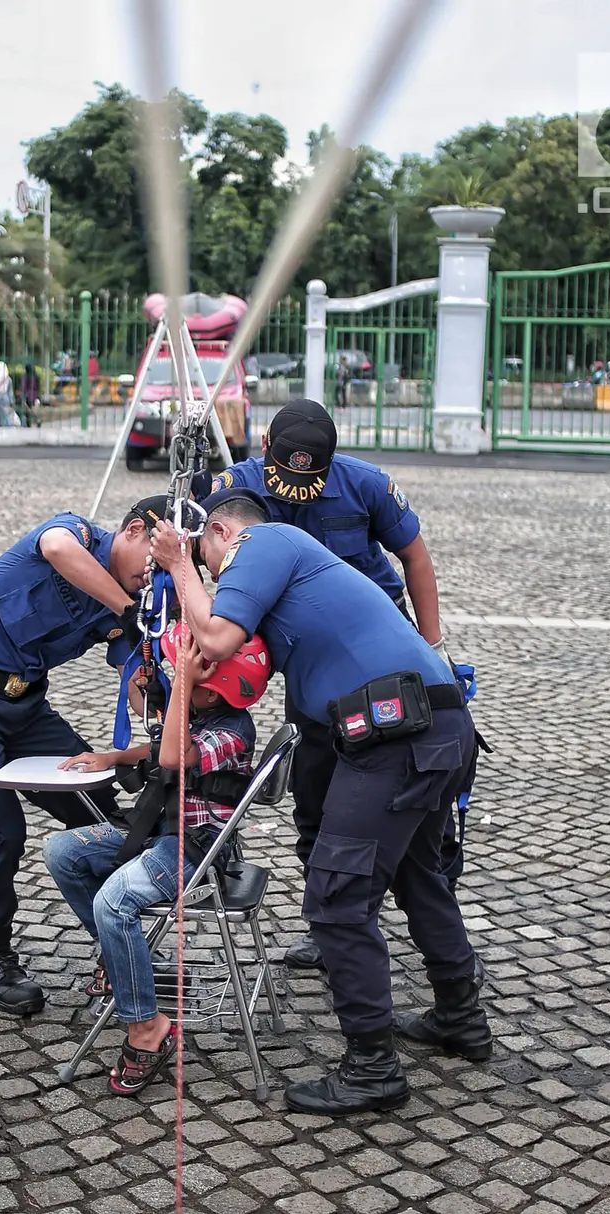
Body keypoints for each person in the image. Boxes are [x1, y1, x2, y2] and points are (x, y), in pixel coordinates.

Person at [150, 488, 492, 1115]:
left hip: (400, 735)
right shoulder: (299, 583)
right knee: (418, 876)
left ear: (223, 532)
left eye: (206, 558)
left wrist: (176, 563)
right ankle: (460, 1017)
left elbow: (218, 636)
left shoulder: (264, 541)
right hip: (429, 728)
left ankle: (372, 1068)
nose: (208, 577)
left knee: (336, 898)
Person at [194, 399, 464, 973]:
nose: (296, 494)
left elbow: (414, 556)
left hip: (381, 651)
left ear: (331, 461)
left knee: (424, 818)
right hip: (310, 665)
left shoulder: (365, 485)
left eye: (309, 480)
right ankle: (331, 924)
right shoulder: (234, 491)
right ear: (264, 447)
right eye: (284, 480)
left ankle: (414, 918)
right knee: (316, 794)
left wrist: (433, 644)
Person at [0, 502, 161, 1017]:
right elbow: (56, 549)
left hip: (24, 707)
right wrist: (127, 610)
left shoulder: (132, 605)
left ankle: (115, 940)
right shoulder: (79, 534)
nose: (147, 578)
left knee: (100, 810)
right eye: (150, 564)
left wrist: (154, 676)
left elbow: (136, 688)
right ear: (133, 530)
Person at [43, 621, 270, 1096]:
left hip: (194, 848)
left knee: (113, 902)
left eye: (188, 676)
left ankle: (148, 1026)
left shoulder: (233, 732)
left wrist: (183, 685)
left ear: (212, 694)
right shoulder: (204, 712)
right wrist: (113, 756)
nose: (173, 674)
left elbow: (171, 755)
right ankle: (122, 958)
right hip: (158, 830)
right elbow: (155, 733)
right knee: (62, 851)